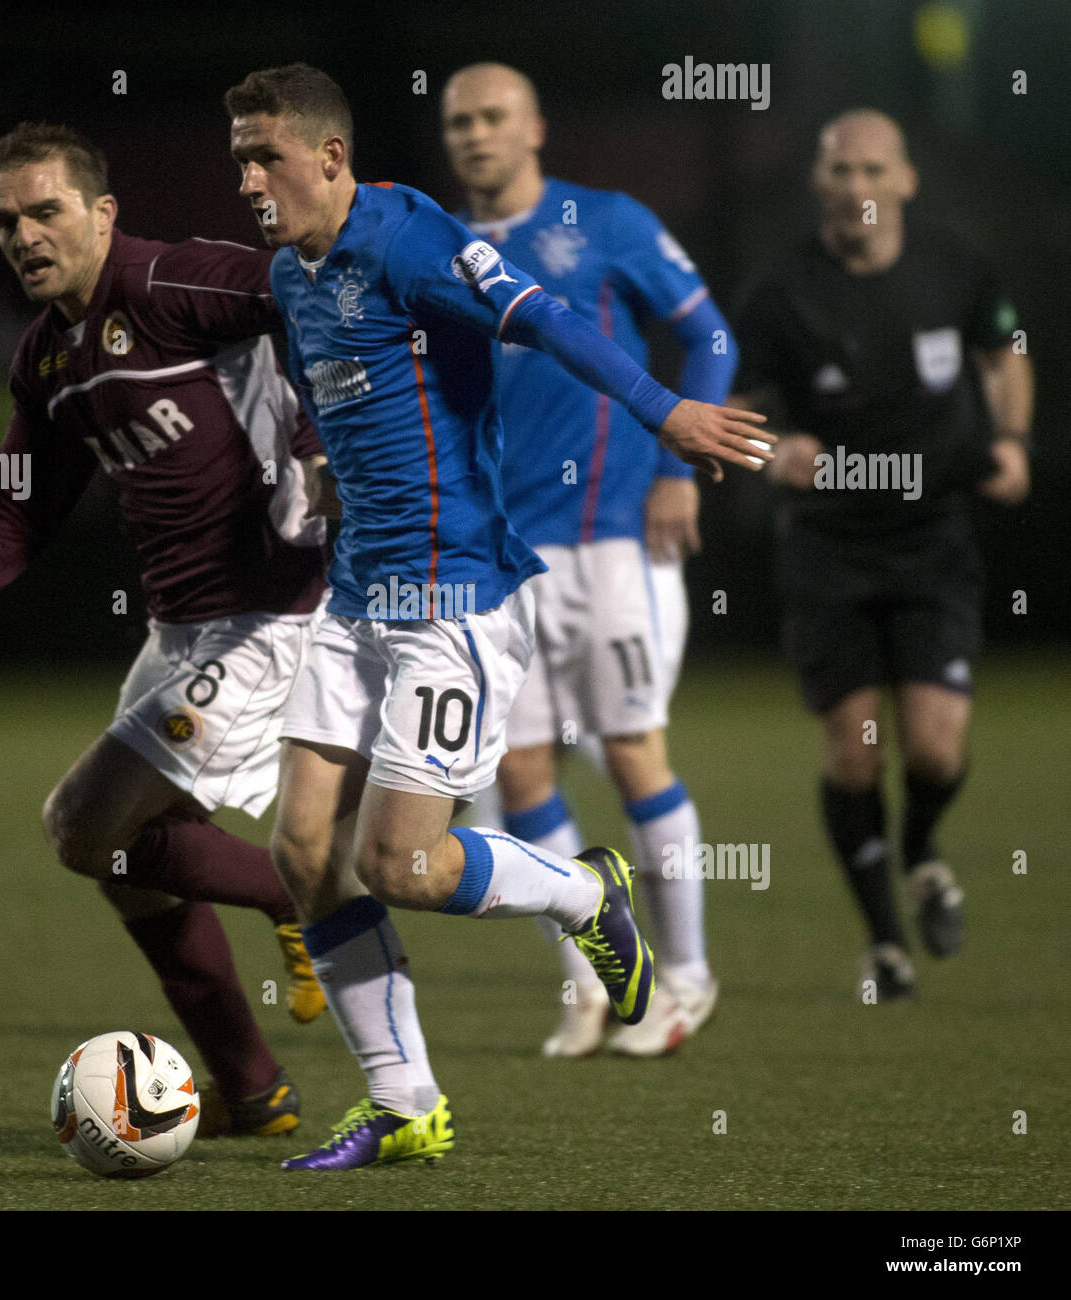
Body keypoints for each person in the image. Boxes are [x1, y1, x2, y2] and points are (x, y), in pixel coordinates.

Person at [224, 63, 774, 1170]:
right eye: (236, 157)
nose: (245, 179)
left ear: (328, 157)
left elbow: (545, 317)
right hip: (356, 594)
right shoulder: (292, 272)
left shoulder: (412, 239)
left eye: (263, 155)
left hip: (454, 595)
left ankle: (584, 894)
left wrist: (666, 415)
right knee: (299, 847)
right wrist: (324, 463)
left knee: (400, 864)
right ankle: (404, 1101)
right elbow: (328, 381)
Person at [0, 121, 334, 1137]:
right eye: (5, 221)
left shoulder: (180, 283)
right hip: (179, 632)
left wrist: (322, 441)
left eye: (45, 211)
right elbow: (16, 511)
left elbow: (311, 294)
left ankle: (295, 889)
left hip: (270, 615)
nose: (24, 235)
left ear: (102, 212)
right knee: (125, 865)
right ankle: (255, 1088)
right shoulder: (49, 356)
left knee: (80, 824)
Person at [443, 62, 734, 1058]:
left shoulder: (605, 221)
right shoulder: (438, 249)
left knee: (629, 751)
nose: (475, 134)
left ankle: (686, 977)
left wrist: (676, 469)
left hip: (615, 538)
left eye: (492, 116)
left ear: (534, 127)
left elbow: (708, 336)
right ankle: (596, 985)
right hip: (501, 557)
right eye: (458, 122)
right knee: (519, 773)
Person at [732, 109, 1032, 999]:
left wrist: (1011, 435)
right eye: (840, 173)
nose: (856, 188)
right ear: (820, 185)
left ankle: (923, 848)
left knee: (936, 753)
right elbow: (734, 409)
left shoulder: (957, 269)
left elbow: (1006, 347)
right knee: (854, 752)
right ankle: (885, 943)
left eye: (872, 171)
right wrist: (771, 449)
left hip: (931, 537)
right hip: (828, 548)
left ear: (904, 181)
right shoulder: (780, 293)